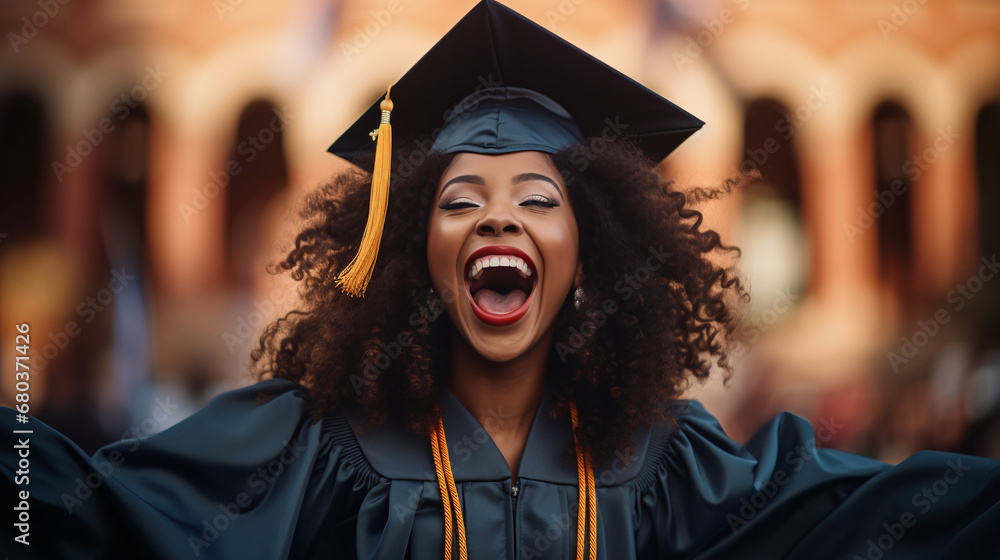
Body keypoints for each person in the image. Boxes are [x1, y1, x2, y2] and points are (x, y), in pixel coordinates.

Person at [3, 1, 999, 559]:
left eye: (537, 196)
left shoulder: (664, 459)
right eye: (459, 198)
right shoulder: (316, 444)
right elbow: (93, 505)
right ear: (409, 250)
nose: (498, 217)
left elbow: (868, 518)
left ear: (591, 249)